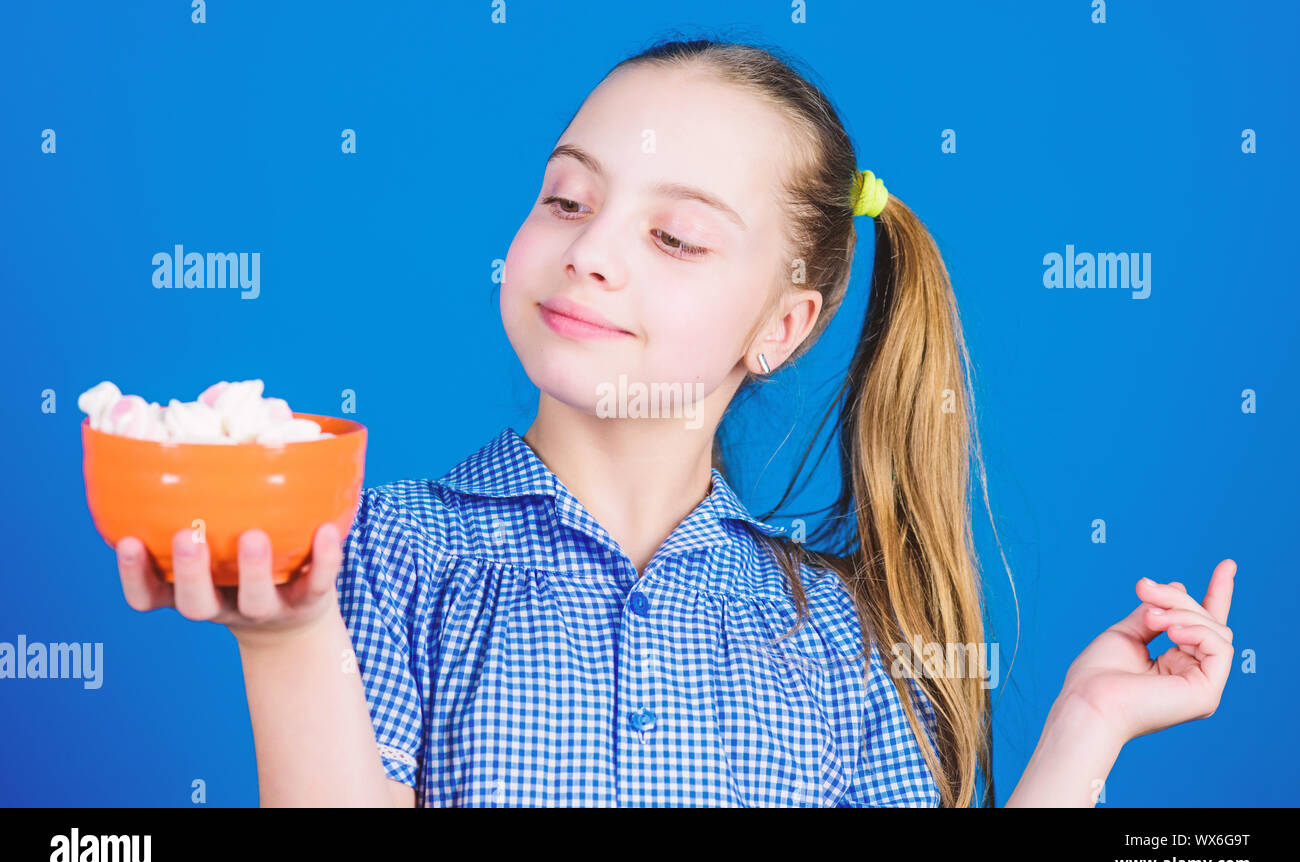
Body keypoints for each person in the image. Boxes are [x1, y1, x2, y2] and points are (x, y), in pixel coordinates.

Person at [115, 37, 1237, 807]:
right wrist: (287, 637)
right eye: (567, 197)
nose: (590, 249)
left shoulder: (840, 637)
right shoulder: (388, 552)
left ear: (782, 325)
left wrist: (1085, 726)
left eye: (678, 237)